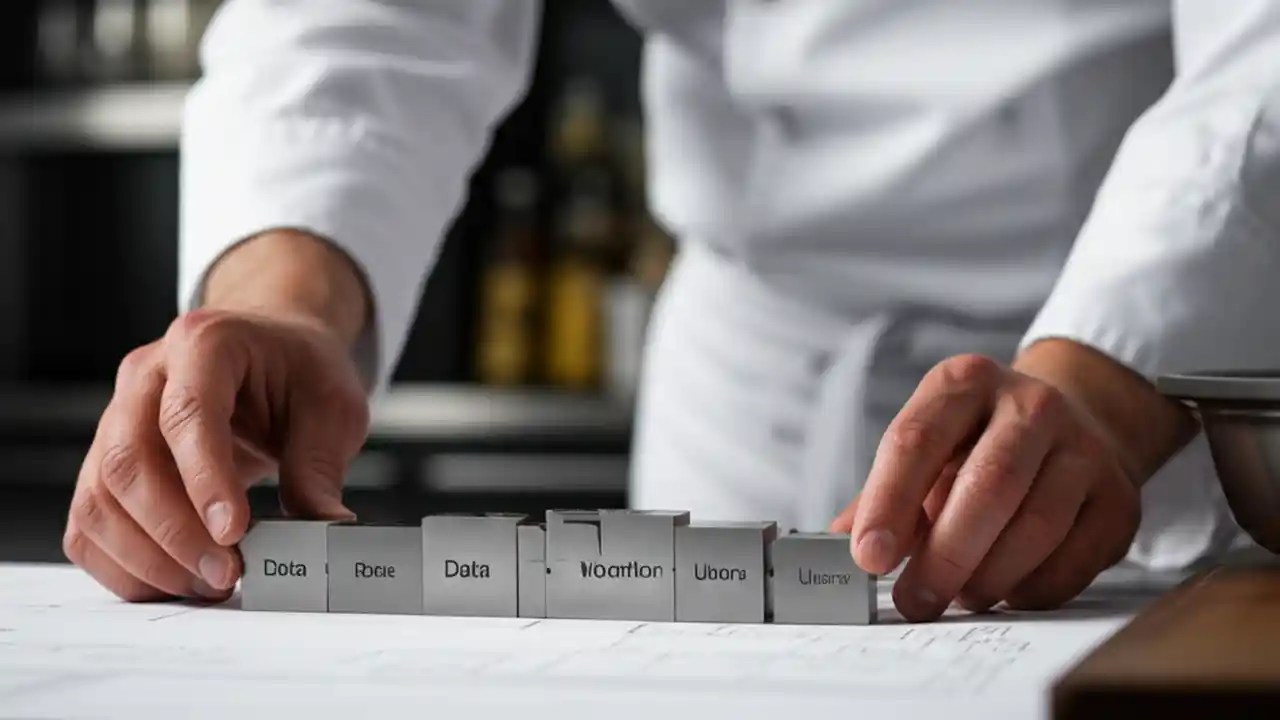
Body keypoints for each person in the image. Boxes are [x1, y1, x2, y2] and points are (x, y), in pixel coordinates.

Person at [63, 1, 1280, 622]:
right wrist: (283, 298)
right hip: (757, 375)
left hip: (1151, 362)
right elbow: (366, 17)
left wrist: (1102, 383)